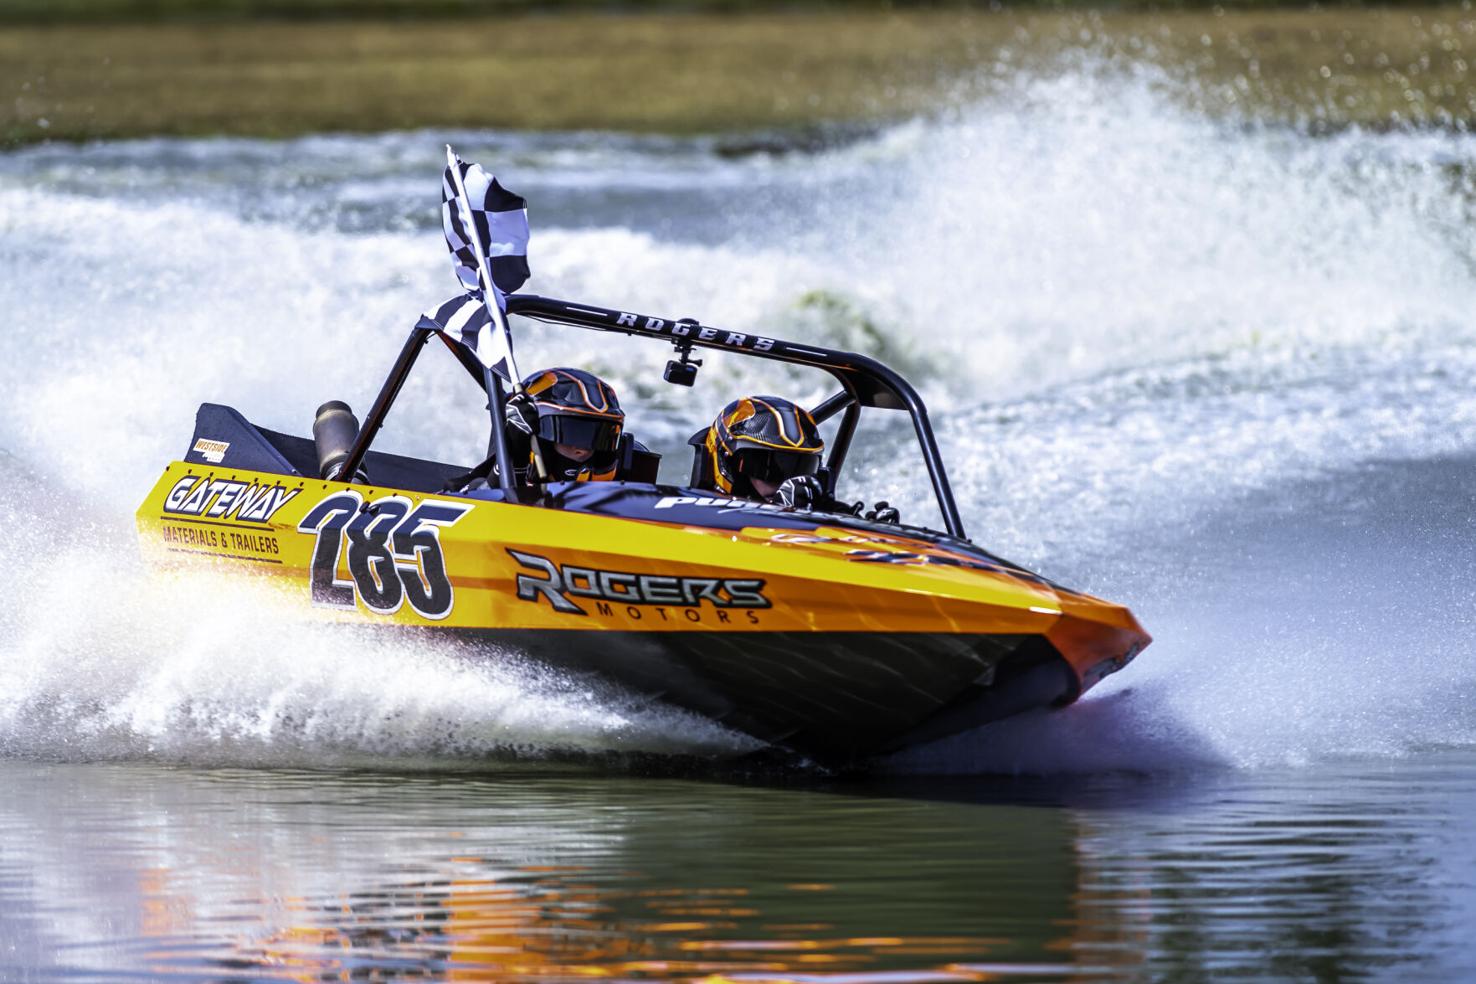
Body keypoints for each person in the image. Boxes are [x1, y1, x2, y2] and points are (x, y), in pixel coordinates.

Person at [452, 367, 626, 491]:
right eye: (572, 433)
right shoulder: (479, 485)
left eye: (598, 436)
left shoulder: (625, 475)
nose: (583, 448)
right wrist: (517, 457)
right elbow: (465, 502)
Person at [690, 395, 828, 506]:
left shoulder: (835, 524)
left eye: (800, 471)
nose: (789, 486)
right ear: (728, 463)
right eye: (771, 471)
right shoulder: (688, 520)